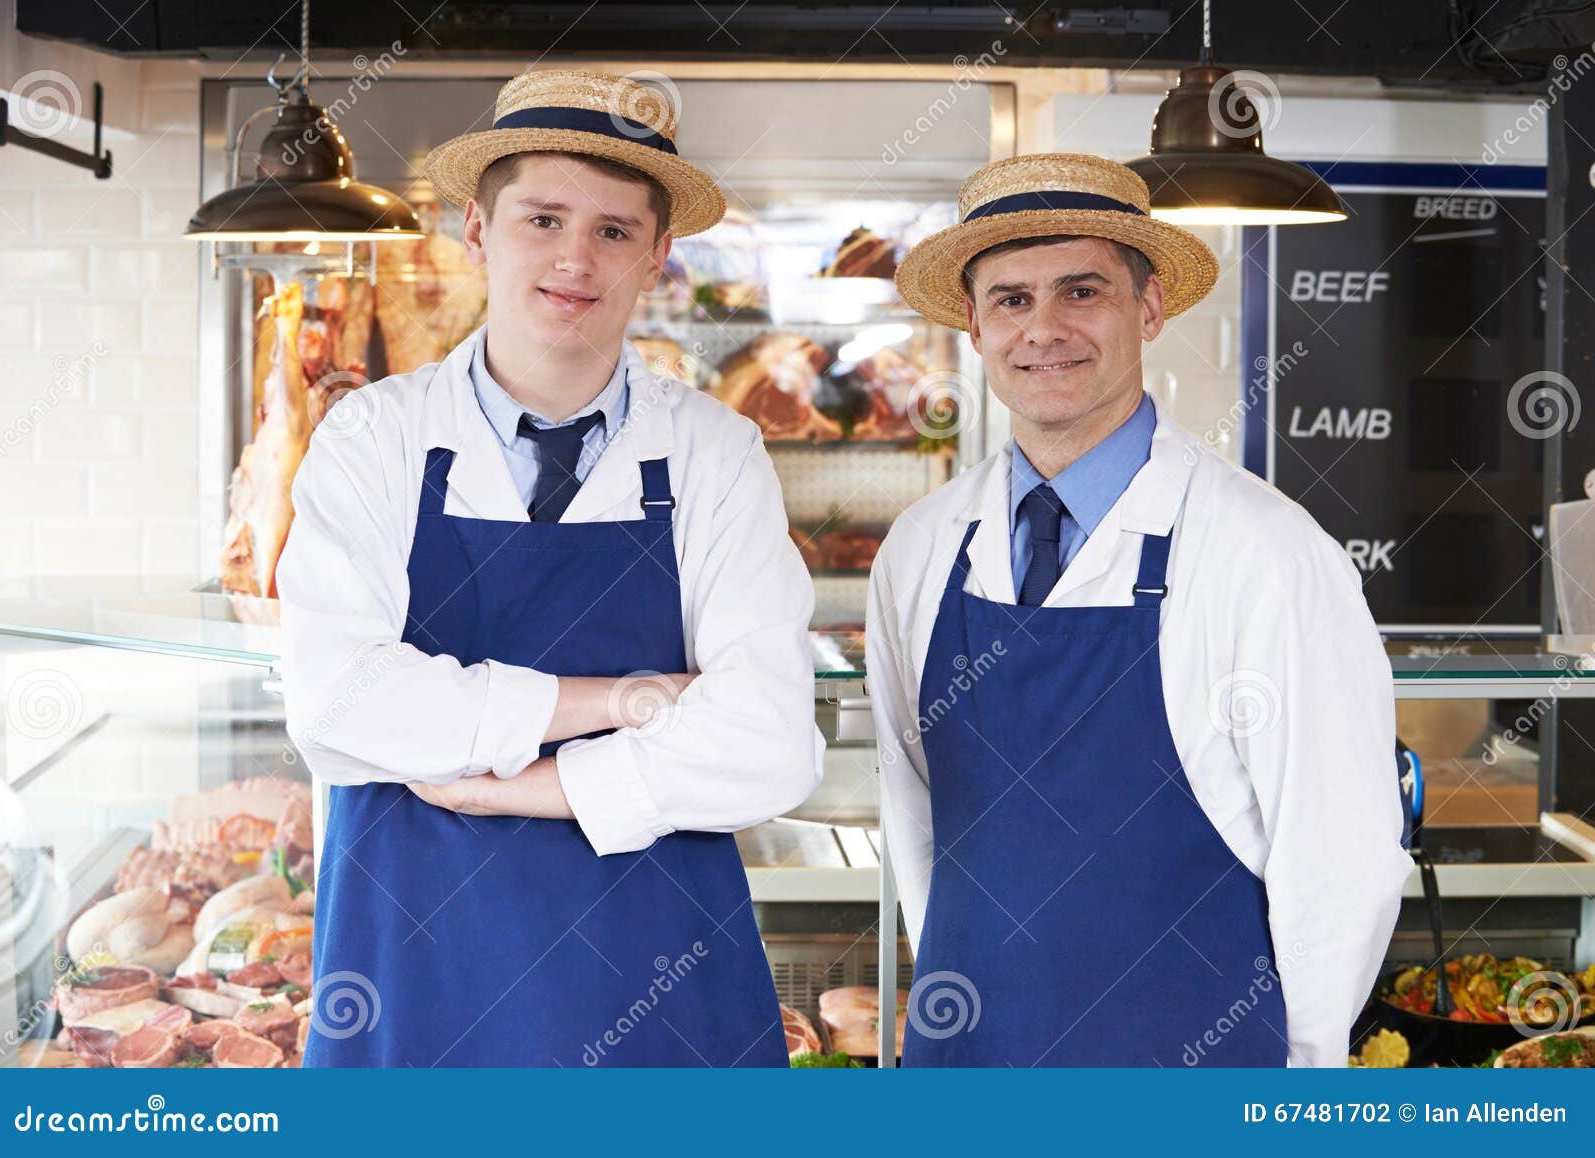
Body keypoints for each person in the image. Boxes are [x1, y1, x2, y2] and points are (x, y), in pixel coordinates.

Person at [279, 70, 821, 1067]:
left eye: (615, 231)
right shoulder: (373, 439)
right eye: (542, 218)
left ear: (658, 256)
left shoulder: (713, 453)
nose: (576, 258)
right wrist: (629, 699)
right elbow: (339, 705)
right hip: (415, 978)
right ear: (477, 231)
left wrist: (515, 785)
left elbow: (775, 746)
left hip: (662, 992)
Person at [868, 153, 1409, 1067]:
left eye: (1082, 291)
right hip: (970, 1063)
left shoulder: (1266, 551)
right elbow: (915, 822)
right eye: (1010, 299)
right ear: (972, 322)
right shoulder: (920, 550)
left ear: (1149, 307)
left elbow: (1342, 862)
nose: (1044, 329)